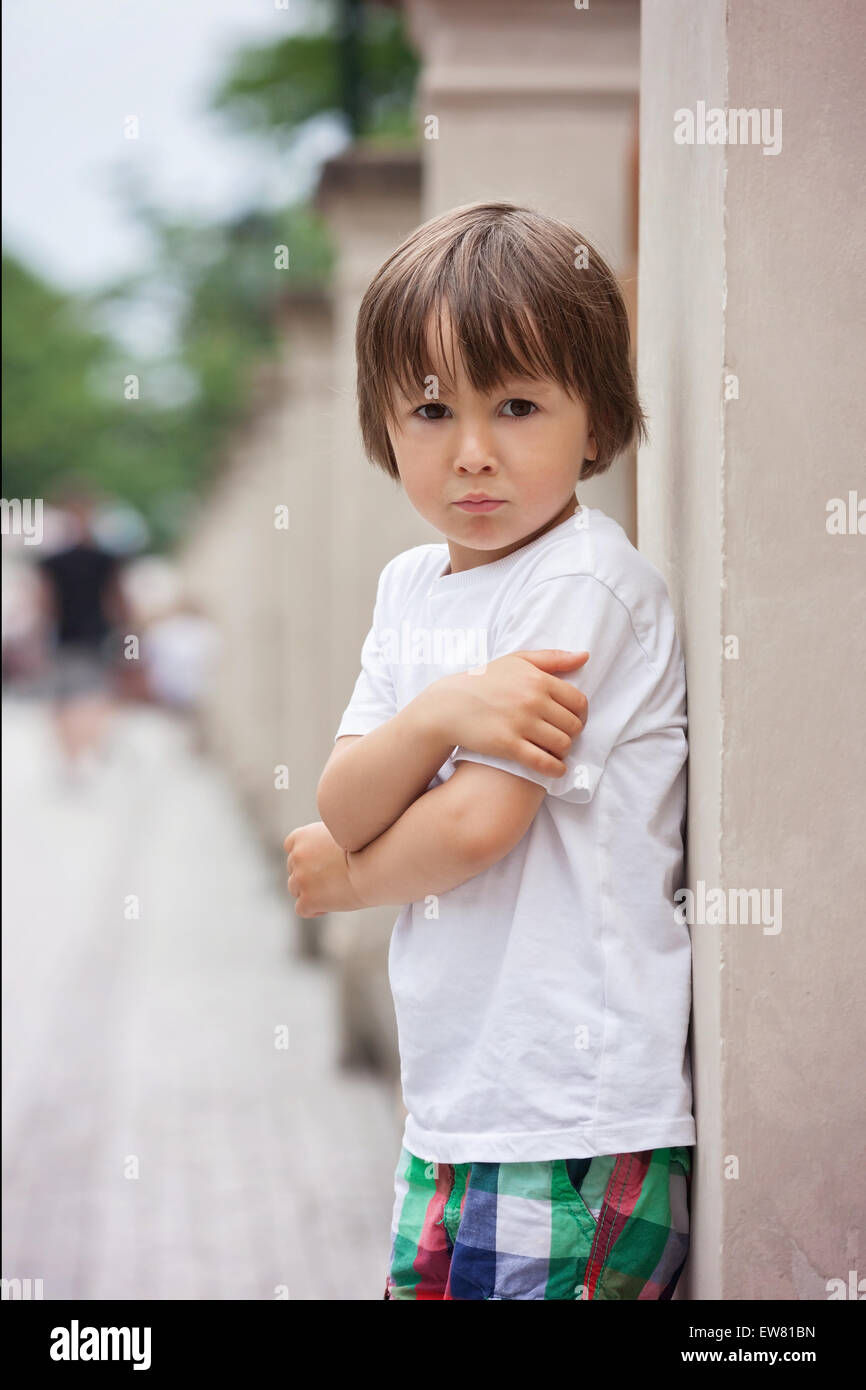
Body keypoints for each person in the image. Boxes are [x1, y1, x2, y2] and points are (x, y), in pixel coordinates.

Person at [283, 202, 695, 1300]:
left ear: (596, 423)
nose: (471, 452)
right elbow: (347, 796)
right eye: (430, 410)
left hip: (570, 1120)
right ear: (383, 425)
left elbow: (474, 825)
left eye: (516, 406)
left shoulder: (582, 582)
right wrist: (440, 716)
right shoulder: (410, 588)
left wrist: (350, 880)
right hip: (454, 1112)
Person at [35, 488, 127, 781]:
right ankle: (81, 752)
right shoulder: (106, 559)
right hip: (92, 637)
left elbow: (44, 605)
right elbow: (118, 603)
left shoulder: (53, 561)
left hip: (71, 638)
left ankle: (74, 756)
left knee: (69, 699)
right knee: (89, 696)